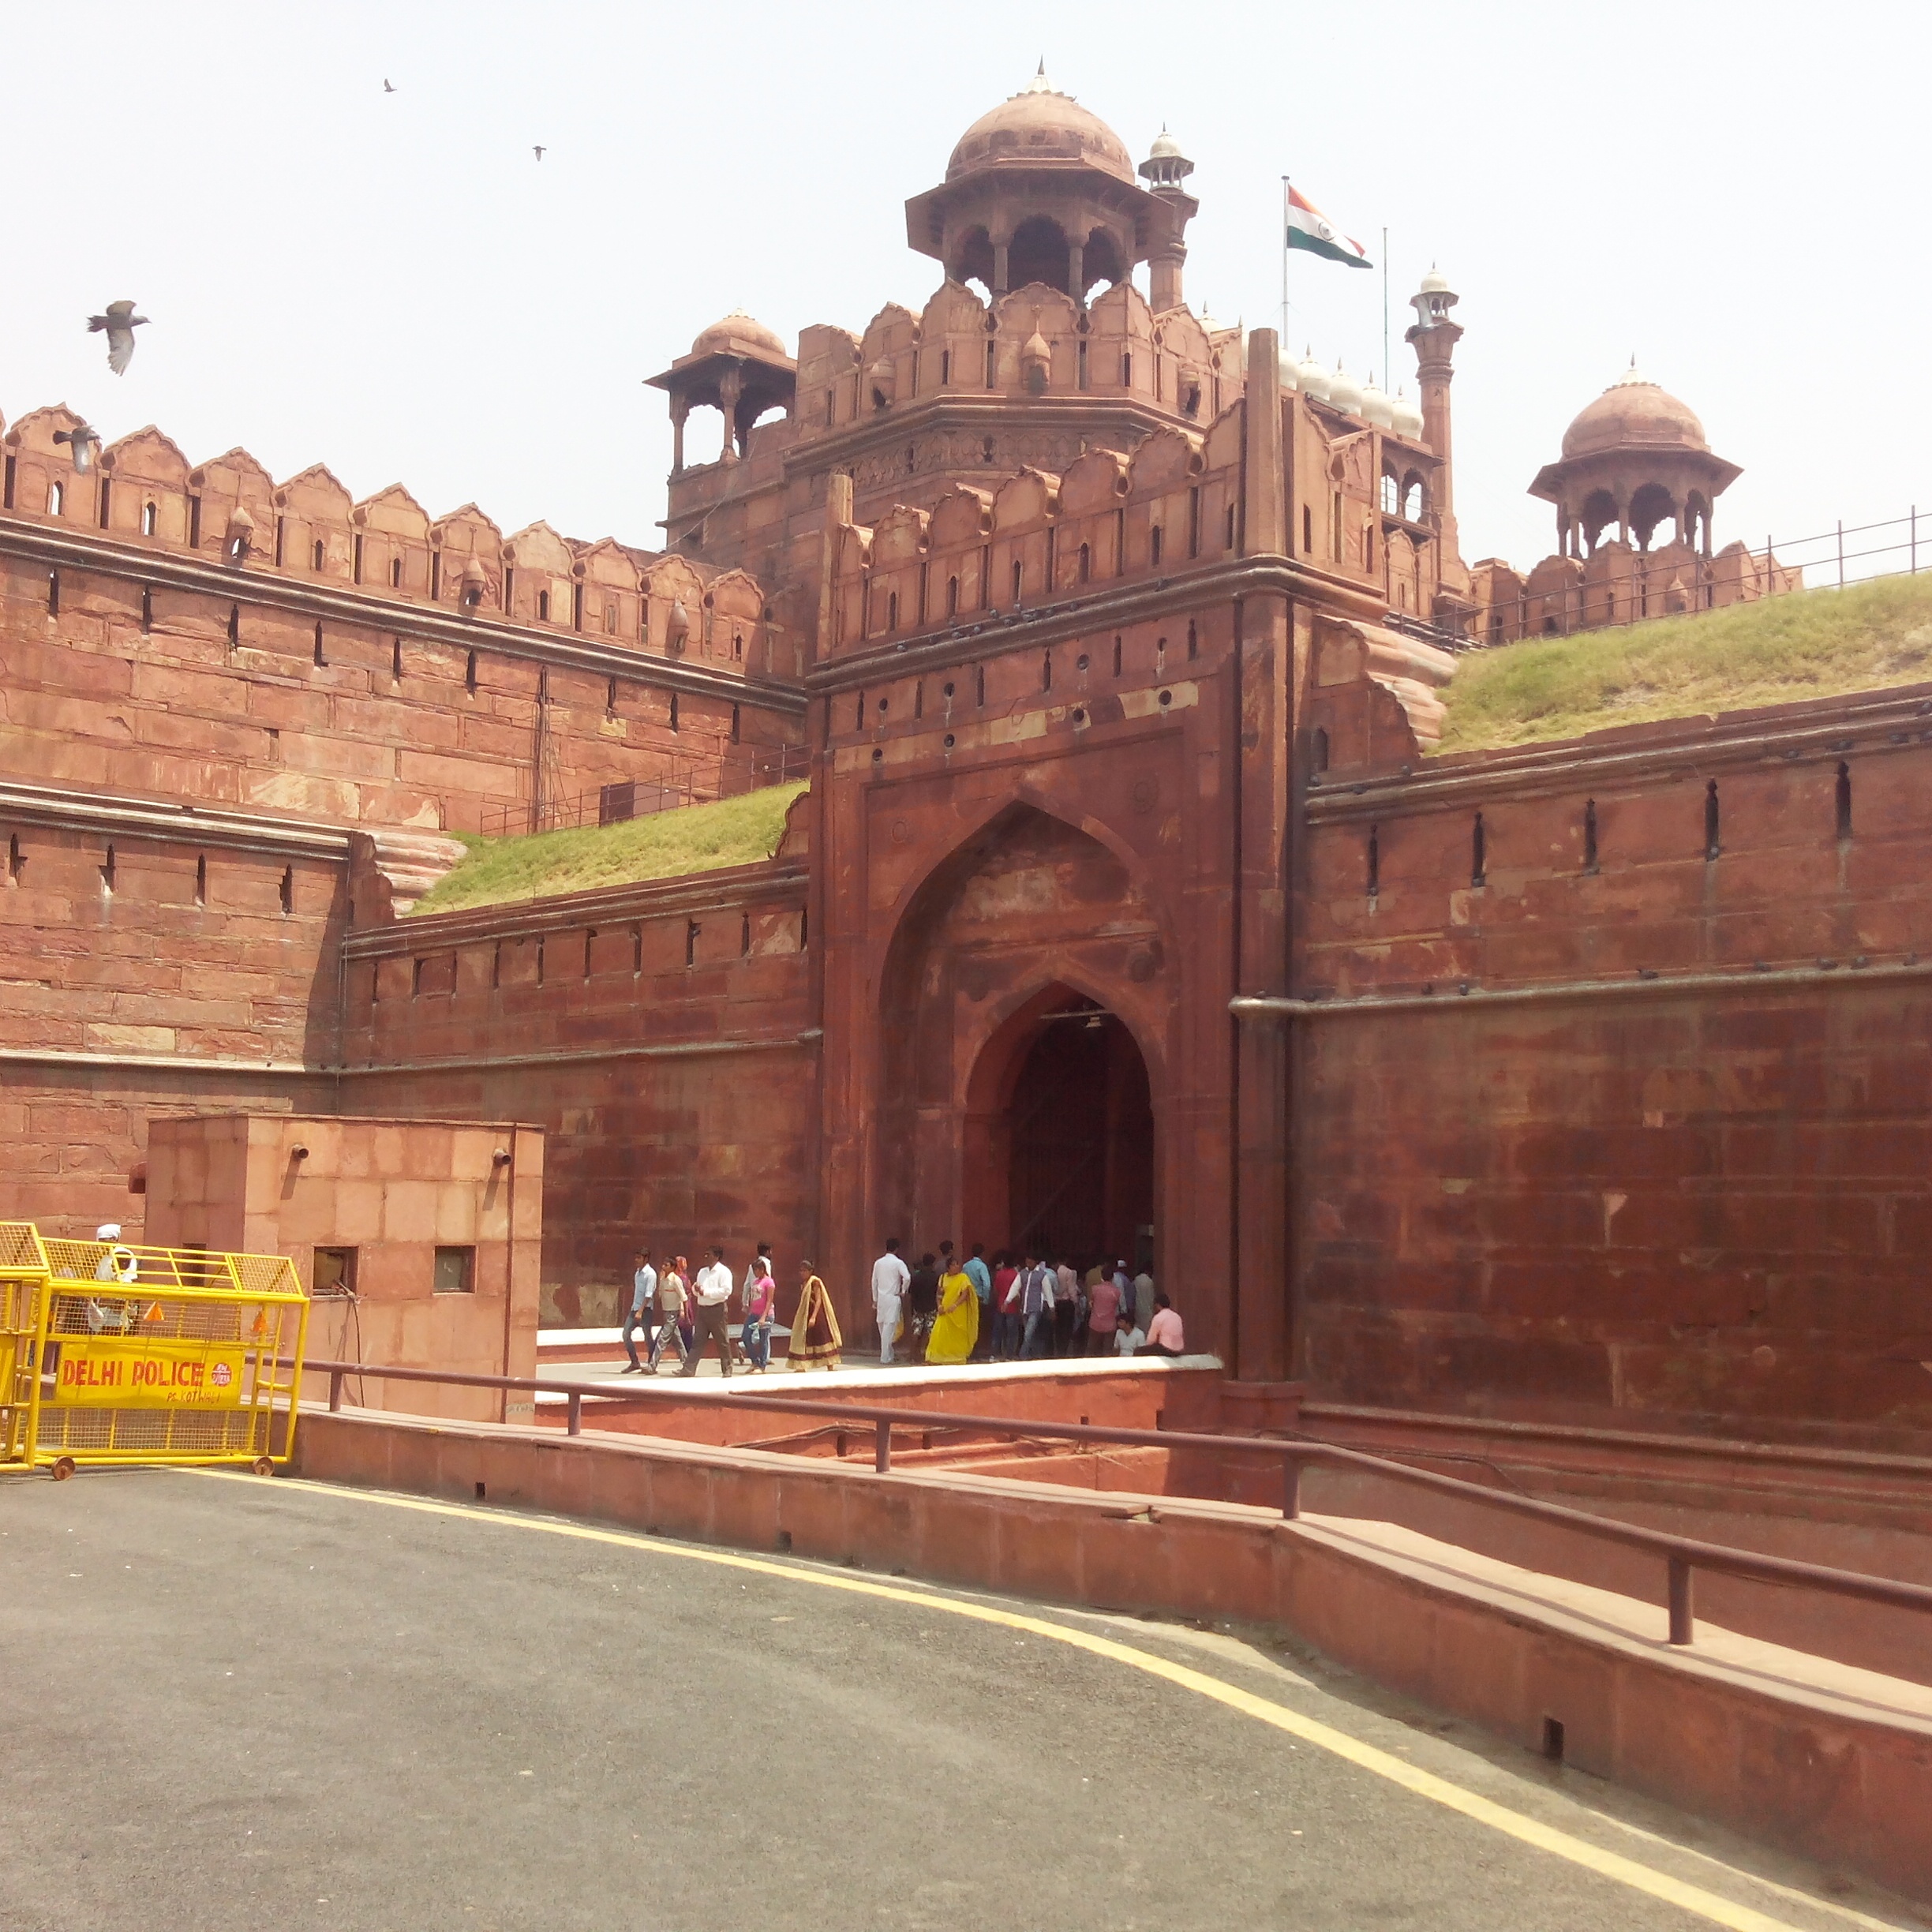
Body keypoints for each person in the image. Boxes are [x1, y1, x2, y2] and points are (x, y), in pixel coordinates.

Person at [678, 1244, 736, 1377]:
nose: (706, 1257)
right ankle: (688, 1369)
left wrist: (706, 1292)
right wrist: (696, 1290)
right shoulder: (702, 1272)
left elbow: (727, 1290)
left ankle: (727, 1368)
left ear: (717, 1256)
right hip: (702, 1310)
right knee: (697, 1341)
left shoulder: (724, 1272)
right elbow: (696, 1288)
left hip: (717, 1310)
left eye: (709, 1254)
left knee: (722, 1341)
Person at [788, 1258, 843, 1371]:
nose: (802, 1273)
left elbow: (818, 1300)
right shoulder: (804, 1284)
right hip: (806, 1315)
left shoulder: (815, 1282)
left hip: (817, 1315)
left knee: (823, 1338)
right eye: (801, 1271)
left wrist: (813, 1317)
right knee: (806, 1339)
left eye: (804, 1271)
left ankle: (830, 1364)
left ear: (810, 1271)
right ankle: (802, 1366)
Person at [926, 1249, 979, 1365]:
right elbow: (939, 1294)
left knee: (958, 1335)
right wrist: (939, 1305)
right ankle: (938, 1357)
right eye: (954, 1265)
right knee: (938, 1334)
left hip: (958, 1311)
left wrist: (955, 1305)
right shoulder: (943, 1278)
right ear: (948, 1267)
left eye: (957, 1264)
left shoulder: (963, 1278)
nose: (957, 1267)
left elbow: (965, 1294)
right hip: (944, 1311)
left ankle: (957, 1357)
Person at [871, 1237, 910, 1366]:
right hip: (893, 1297)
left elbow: (874, 1282)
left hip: (881, 1298)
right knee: (890, 1326)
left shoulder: (878, 1263)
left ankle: (889, 1354)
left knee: (882, 1325)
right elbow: (907, 1277)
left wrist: (875, 1299)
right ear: (897, 1249)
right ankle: (885, 1357)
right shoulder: (898, 1263)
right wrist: (903, 1290)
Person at [647, 1256, 690, 1372]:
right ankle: (687, 1365)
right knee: (678, 1342)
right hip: (666, 1313)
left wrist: (686, 1316)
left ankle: (652, 1366)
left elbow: (684, 1298)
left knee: (662, 1339)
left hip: (673, 1314)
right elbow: (660, 1296)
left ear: (672, 1267)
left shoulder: (675, 1280)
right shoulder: (663, 1280)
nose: (663, 1267)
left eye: (666, 1265)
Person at [621, 1247, 657, 1373]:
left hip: (645, 1310)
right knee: (626, 1334)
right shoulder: (637, 1273)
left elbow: (649, 1295)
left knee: (647, 1337)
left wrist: (640, 1311)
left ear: (646, 1259)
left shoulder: (650, 1274)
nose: (636, 1260)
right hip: (635, 1308)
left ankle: (652, 1364)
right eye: (636, 1257)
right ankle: (635, 1362)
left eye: (639, 1258)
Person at [739, 1253, 776, 1372]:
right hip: (754, 1313)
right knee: (746, 1336)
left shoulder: (769, 1282)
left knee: (763, 1339)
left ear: (762, 1270)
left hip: (765, 1314)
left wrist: (764, 1316)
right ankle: (755, 1360)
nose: (755, 1273)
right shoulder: (755, 1282)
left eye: (756, 1270)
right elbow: (754, 1298)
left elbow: (769, 1300)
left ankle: (762, 1365)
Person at [1017, 1252, 1055, 1360]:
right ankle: (1036, 1354)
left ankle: (1023, 1354)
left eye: (1031, 1260)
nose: (1028, 1262)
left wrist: (1052, 1308)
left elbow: (1048, 1292)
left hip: (1036, 1308)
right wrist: (1007, 1301)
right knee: (1030, 1333)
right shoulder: (1022, 1273)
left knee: (1028, 1333)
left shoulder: (1042, 1275)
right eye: (1027, 1259)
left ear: (1036, 1262)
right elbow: (1015, 1287)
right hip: (1025, 1307)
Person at [907, 1252, 940, 1355]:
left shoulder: (916, 1277)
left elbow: (911, 1293)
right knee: (932, 1332)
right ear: (933, 1263)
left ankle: (913, 1355)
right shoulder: (936, 1277)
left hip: (918, 1308)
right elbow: (938, 1292)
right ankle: (931, 1354)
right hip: (931, 1307)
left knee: (916, 1331)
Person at [963, 1243, 992, 1359]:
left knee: (969, 1324)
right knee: (978, 1325)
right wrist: (986, 1298)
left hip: (967, 1298)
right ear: (982, 1253)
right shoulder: (982, 1266)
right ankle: (976, 1351)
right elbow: (987, 1284)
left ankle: (969, 1350)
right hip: (979, 1298)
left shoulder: (965, 1266)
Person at [1136, 1291, 1185, 1358]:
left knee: (1138, 1351)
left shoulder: (1159, 1317)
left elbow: (1151, 1340)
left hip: (1166, 1349)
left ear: (1157, 1305)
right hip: (1179, 1350)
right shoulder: (1177, 1316)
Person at [1086, 1263, 1121, 1356]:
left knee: (1091, 1349)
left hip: (1095, 1322)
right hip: (1110, 1324)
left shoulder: (1095, 1289)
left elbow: (1091, 1304)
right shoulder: (1116, 1292)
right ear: (1112, 1277)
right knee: (1107, 1350)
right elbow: (1116, 1306)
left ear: (1101, 1276)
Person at [990, 1252, 1020, 1361]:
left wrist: (999, 1301)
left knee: (997, 1331)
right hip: (1012, 1307)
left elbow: (995, 1290)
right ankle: (1009, 1355)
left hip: (1000, 1305)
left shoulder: (999, 1274)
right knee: (1012, 1333)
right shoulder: (1016, 1275)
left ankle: (994, 1354)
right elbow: (1017, 1294)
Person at [1054, 1256, 1080, 1357]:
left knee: (1058, 1327)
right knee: (1067, 1328)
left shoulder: (1054, 1272)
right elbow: (1071, 1290)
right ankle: (1064, 1350)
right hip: (1067, 1303)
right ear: (1065, 1261)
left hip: (1057, 1303)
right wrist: (1076, 1304)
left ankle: (1059, 1349)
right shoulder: (1069, 1272)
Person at [1133, 1267, 1155, 1336]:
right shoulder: (1150, 1281)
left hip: (1138, 1309)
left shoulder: (1136, 1280)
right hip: (1148, 1310)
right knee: (1147, 1332)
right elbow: (1151, 1297)